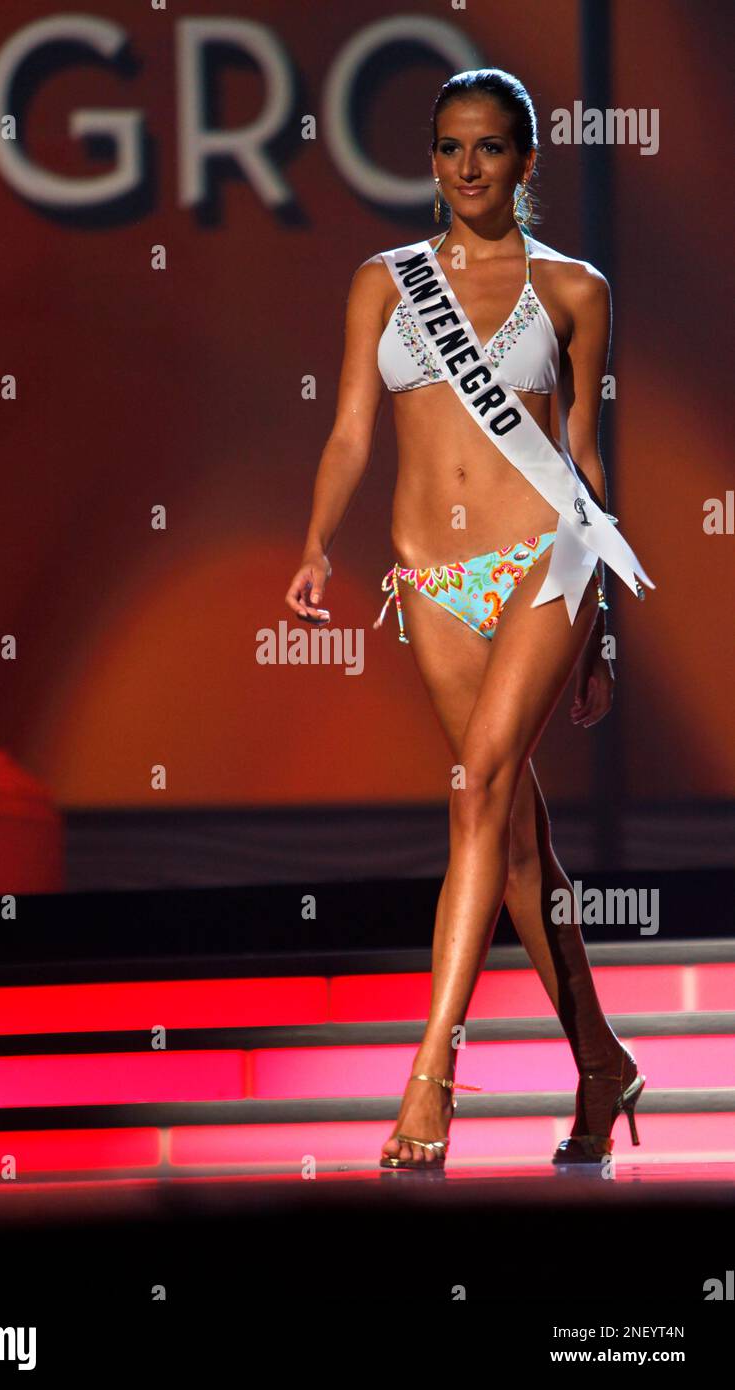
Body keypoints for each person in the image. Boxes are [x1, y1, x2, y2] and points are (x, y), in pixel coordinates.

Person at [285, 69, 650, 1170]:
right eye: (449, 148)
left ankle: (431, 1075)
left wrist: (606, 633)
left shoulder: (575, 289)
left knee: (477, 792)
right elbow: (352, 431)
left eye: (490, 148)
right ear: (431, 159)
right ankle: (601, 1063)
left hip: (547, 560)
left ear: (526, 161)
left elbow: (580, 458)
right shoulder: (382, 284)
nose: (467, 168)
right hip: (430, 579)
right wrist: (313, 541)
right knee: (518, 844)